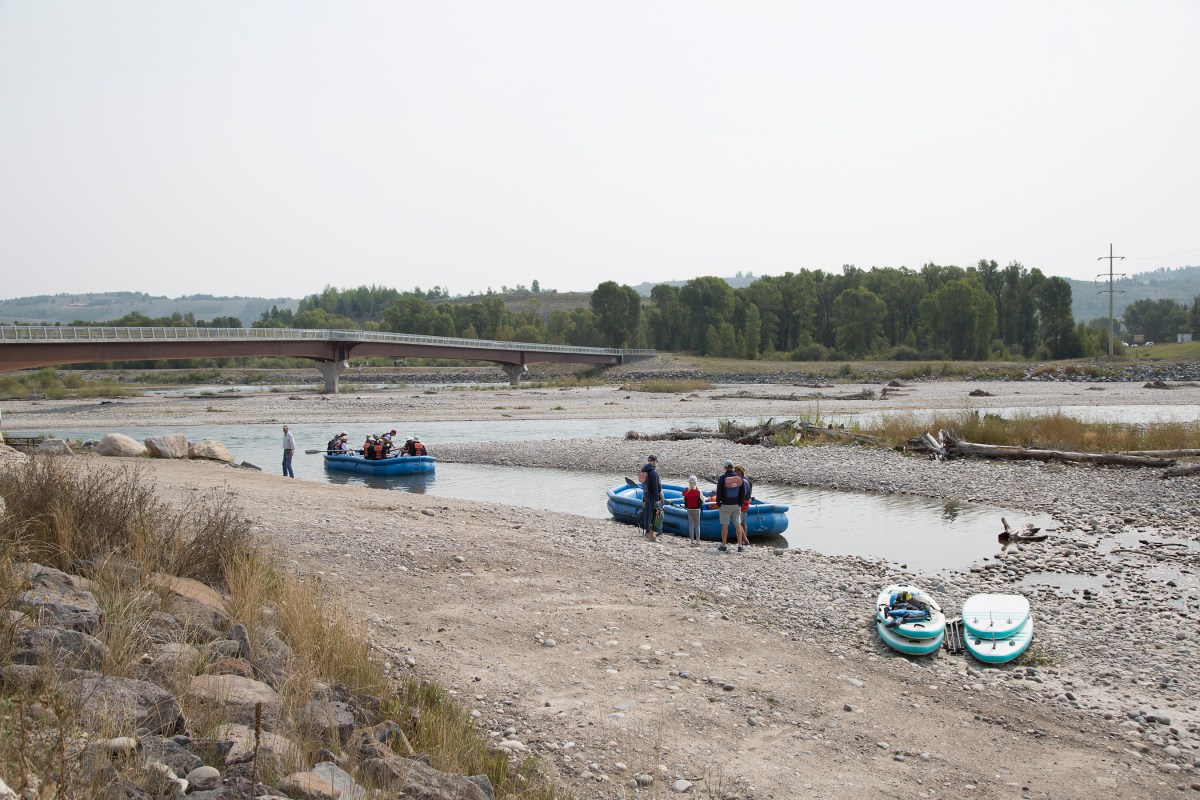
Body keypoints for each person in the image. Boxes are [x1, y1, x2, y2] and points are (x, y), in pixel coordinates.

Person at [714, 459, 746, 552]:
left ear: (725, 468)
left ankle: (724, 545)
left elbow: (719, 492)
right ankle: (740, 546)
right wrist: (740, 503)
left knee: (725, 525)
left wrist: (718, 503)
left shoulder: (722, 478)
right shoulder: (739, 478)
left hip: (725, 505)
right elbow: (742, 492)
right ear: (732, 467)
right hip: (736, 505)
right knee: (738, 525)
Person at [638, 454, 663, 541]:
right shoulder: (653, 472)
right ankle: (653, 534)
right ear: (652, 461)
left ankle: (647, 532)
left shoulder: (644, 469)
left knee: (647, 514)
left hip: (646, 494)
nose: (656, 463)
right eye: (656, 461)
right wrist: (657, 500)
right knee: (655, 515)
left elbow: (643, 483)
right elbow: (655, 487)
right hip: (652, 496)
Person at [733, 464, 752, 551]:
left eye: (736, 471)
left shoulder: (743, 481)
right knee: (743, 522)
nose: (735, 472)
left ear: (740, 471)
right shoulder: (747, 480)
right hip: (747, 502)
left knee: (738, 522)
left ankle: (745, 540)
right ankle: (745, 538)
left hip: (743, 503)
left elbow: (742, 494)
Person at [682, 475, 703, 547]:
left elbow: (683, 498)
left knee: (691, 525)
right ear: (696, 482)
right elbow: (702, 501)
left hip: (689, 509)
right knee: (697, 525)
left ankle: (691, 540)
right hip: (697, 510)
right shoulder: (698, 491)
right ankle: (698, 541)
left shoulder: (687, 491)